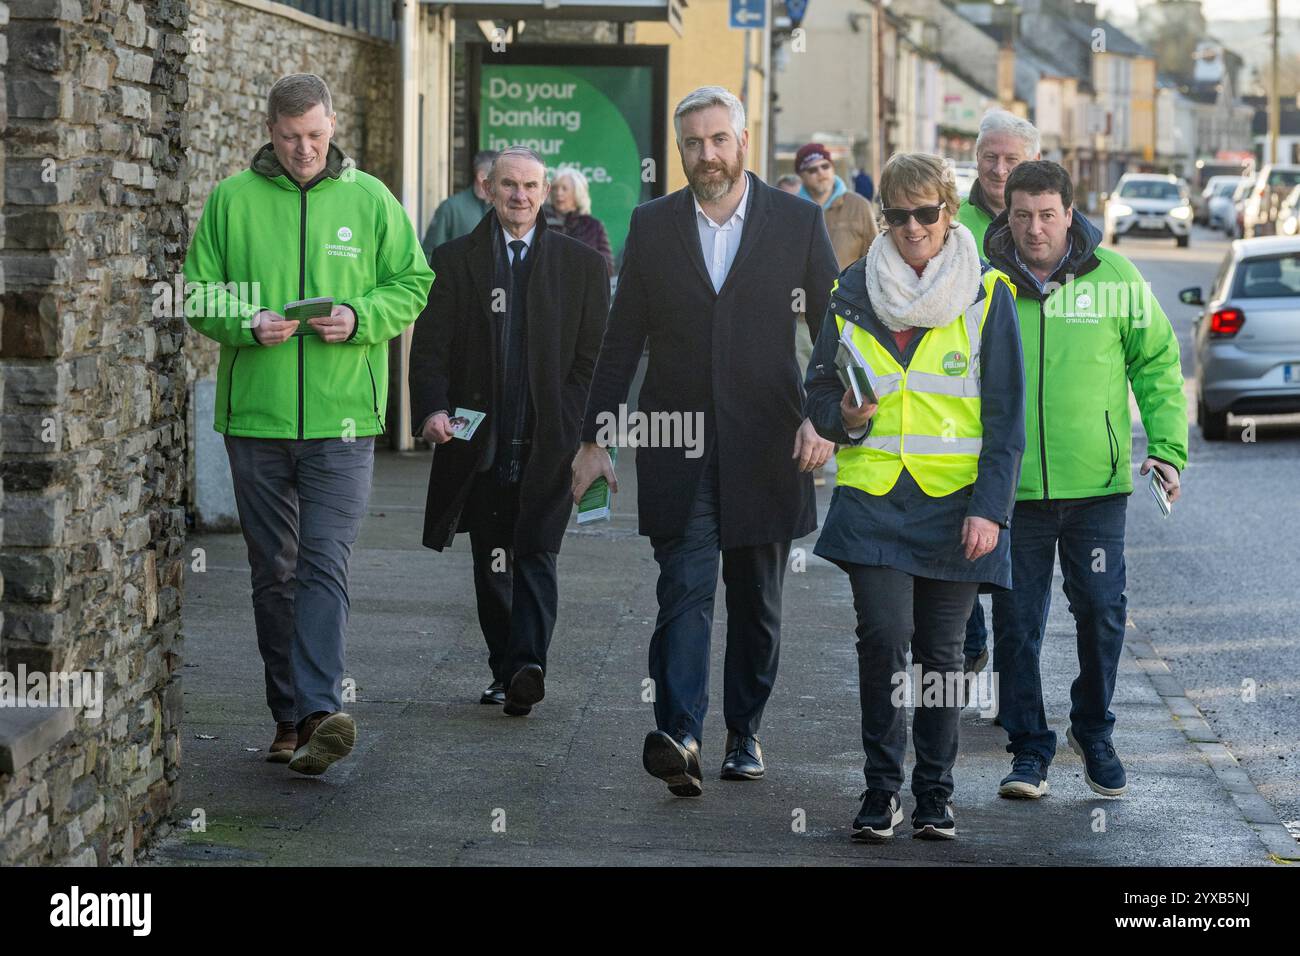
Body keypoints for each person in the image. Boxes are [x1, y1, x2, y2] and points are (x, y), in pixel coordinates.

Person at [572, 86, 838, 797]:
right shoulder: (652, 225)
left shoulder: (798, 222)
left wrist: (827, 416)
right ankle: (680, 734)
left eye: (718, 140)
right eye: (692, 143)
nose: (706, 155)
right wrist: (598, 438)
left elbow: (836, 335)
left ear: (743, 142)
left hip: (768, 444)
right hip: (676, 444)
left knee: (757, 602)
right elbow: (620, 340)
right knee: (683, 590)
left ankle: (744, 731)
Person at [184, 73, 434, 774]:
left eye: (317, 136)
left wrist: (360, 318)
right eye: (292, 137)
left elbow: (413, 281)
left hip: (344, 421)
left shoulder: (371, 197)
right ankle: (288, 718)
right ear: (270, 130)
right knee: (275, 572)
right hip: (256, 422)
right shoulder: (232, 200)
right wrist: (244, 321)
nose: (305, 150)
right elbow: (196, 290)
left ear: (331, 129)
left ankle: (321, 711)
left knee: (323, 560)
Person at [805, 152, 1025, 841]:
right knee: (884, 638)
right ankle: (881, 789)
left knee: (943, 652)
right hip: (873, 501)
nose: (911, 227)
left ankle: (935, 793)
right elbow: (815, 398)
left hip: (956, 505)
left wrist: (991, 508)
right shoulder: (851, 290)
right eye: (897, 216)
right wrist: (844, 417)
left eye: (925, 213)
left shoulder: (988, 295)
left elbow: (1008, 416)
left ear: (949, 213)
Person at [982, 160, 1187, 800]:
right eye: (1021, 216)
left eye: (1047, 215)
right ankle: (1028, 749)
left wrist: (1169, 449)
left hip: (1097, 488)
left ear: (1070, 214)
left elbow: (1156, 361)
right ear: (1006, 217)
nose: (1034, 229)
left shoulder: (1116, 277)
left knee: (1101, 611)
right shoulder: (982, 284)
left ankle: (1093, 728)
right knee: (1017, 625)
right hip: (1011, 493)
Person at [409, 146, 610, 715]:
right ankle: (506, 667)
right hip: (480, 442)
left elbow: (592, 358)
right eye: (508, 186)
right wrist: (431, 411)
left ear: (544, 193)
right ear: (488, 189)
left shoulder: (581, 265)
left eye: (530, 186)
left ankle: (528, 665)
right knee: (492, 558)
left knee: (538, 552)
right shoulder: (453, 261)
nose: (519, 196)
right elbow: (430, 351)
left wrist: (577, 424)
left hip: (551, 439)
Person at [958, 109, 1040, 672]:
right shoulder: (952, 220)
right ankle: (967, 650)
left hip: (1019, 415)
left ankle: (1015, 698)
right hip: (953, 408)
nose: (999, 167)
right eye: (990, 155)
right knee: (956, 546)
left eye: (1012, 159)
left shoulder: (1042, 221)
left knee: (1015, 573)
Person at [957, 110, 1041, 254]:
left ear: (1034, 162)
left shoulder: (1059, 223)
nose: (999, 170)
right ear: (978, 157)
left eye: (1011, 159)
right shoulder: (949, 219)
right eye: (990, 157)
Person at [796, 142, 878, 271]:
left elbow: (875, 258)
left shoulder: (859, 206)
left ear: (833, 168)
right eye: (812, 169)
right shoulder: (792, 209)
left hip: (846, 290)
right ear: (801, 175)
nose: (821, 172)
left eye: (825, 166)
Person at [422, 150, 498, 260]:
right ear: (482, 176)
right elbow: (430, 255)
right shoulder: (450, 208)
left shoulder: (503, 209)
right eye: (499, 177)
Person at [545, 166, 615, 276]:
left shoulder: (593, 226)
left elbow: (607, 267)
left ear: (577, 193)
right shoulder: (541, 223)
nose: (558, 193)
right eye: (554, 188)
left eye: (564, 188)